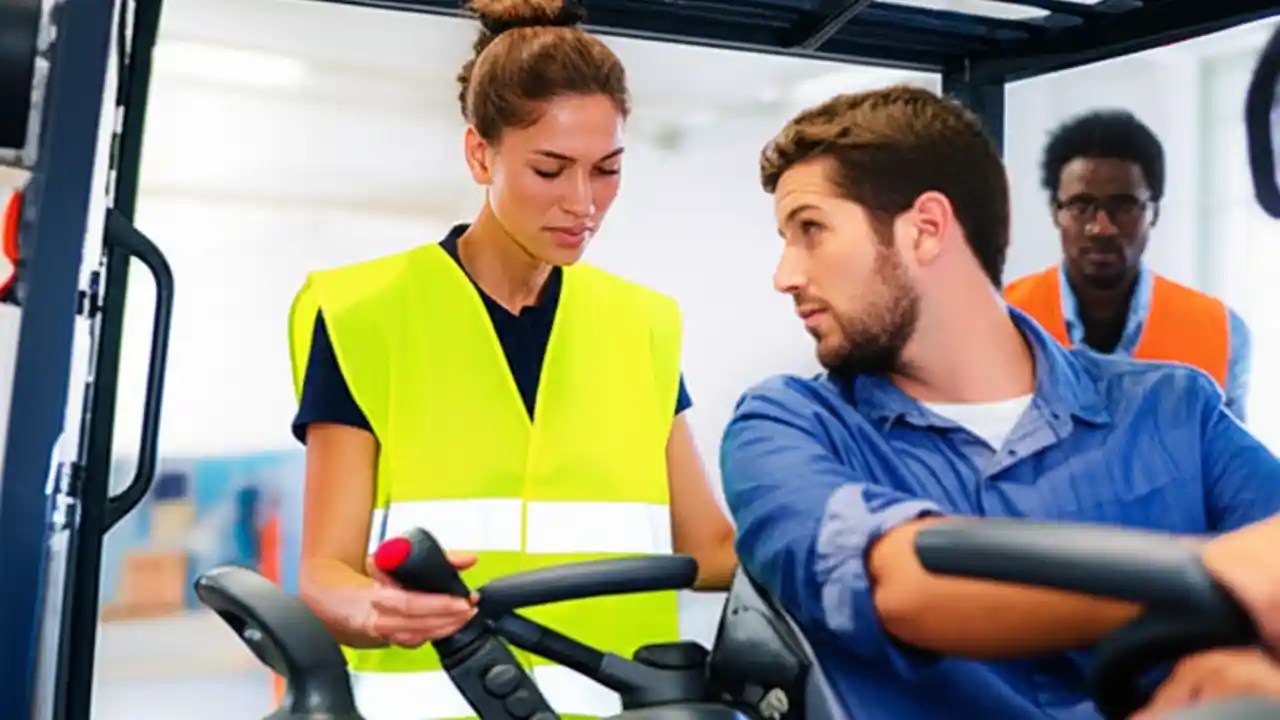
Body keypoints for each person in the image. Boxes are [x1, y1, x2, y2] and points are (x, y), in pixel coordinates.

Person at [719, 84, 1280, 719]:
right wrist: (1211, 576)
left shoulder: (1178, 411)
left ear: (926, 230)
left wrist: (1247, 662)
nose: (784, 275)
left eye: (810, 230)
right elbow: (902, 582)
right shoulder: (785, 427)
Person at [287, 1, 737, 717]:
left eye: (607, 170)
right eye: (551, 169)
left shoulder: (643, 324)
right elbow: (323, 571)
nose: (583, 203)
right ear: (479, 155)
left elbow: (709, 548)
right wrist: (374, 610)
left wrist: (849, 544)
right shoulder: (362, 313)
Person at [1004, 110, 1253, 421]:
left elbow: (1232, 466)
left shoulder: (1221, 332)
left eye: (1123, 206)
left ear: (1154, 212)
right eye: (1082, 206)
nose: (1101, 227)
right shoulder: (1001, 320)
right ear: (1056, 212)